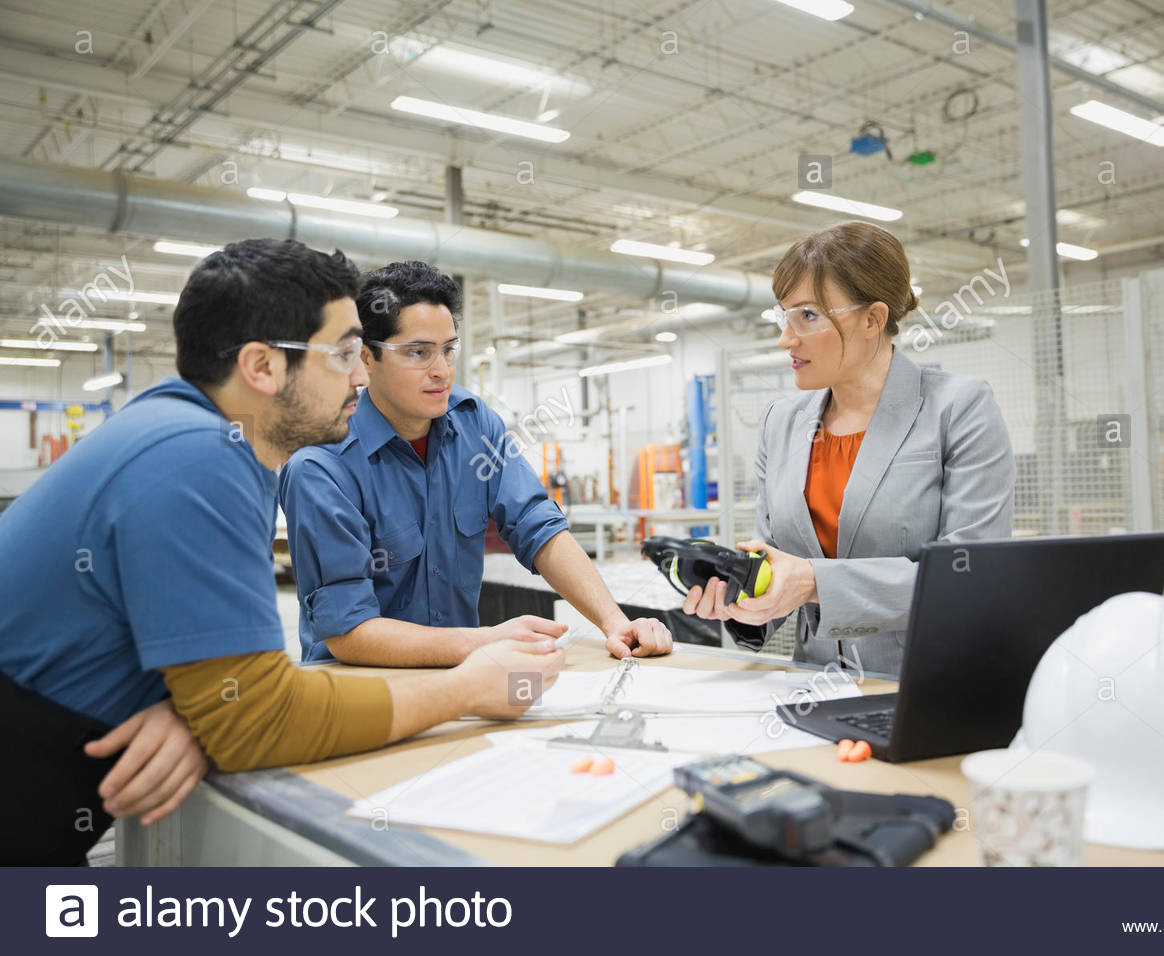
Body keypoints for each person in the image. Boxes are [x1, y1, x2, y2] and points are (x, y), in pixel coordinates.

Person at [0, 239, 562, 865]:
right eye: (345, 352)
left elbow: (237, 699)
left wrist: (200, 712)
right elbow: (258, 718)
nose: (359, 374)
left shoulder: (188, 437)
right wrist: (467, 689)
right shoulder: (199, 461)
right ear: (262, 367)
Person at [279, 260, 672, 667]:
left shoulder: (473, 424)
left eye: (448, 350)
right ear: (366, 358)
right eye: (418, 353)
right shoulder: (323, 467)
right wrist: (485, 642)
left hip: (464, 683)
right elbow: (349, 632)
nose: (442, 371)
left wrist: (614, 622)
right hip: (361, 693)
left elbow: (538, 525)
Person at [681, 222, 1015, 675]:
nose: (786, 339)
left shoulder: (958, 407)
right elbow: (779, 566)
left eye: (808, 316)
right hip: (813, 687)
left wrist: (814, 583)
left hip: (928, 684)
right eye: (784, 316)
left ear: (873, 319)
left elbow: (971, 578)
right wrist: (744, 597)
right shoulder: (781, 422)